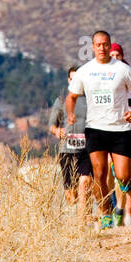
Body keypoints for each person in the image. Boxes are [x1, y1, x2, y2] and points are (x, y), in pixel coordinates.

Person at [66, 31, 131, 229]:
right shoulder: (85, 70)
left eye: (105, 44)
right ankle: (105, 211)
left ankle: (126, 183)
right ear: (92, 47)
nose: (102, 48)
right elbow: (72, 96)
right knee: (99, 174)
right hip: (95, 129)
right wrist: (70, 114)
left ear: (110, 46)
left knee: (123, 175)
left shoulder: (121, 69)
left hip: (120, 129)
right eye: (98, 44)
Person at [50, 66, 91, 211]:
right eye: (72, 79)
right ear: (68, 81)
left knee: (85, 183)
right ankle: (76, 216)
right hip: (67, 150)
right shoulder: (61, 100)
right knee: (71, 194)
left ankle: (83, 223)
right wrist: (57, 131)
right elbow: (52, 125)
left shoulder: (90, 99)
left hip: (86, 150)